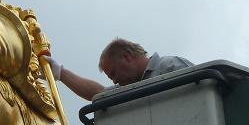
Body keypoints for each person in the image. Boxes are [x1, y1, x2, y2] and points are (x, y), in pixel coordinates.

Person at [46, 39, 193, 101]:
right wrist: (59, 72)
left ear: (127, 57)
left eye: (114, 73)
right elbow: (99, 94)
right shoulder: (129, 89)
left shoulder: (169, 66)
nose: (115, 81)